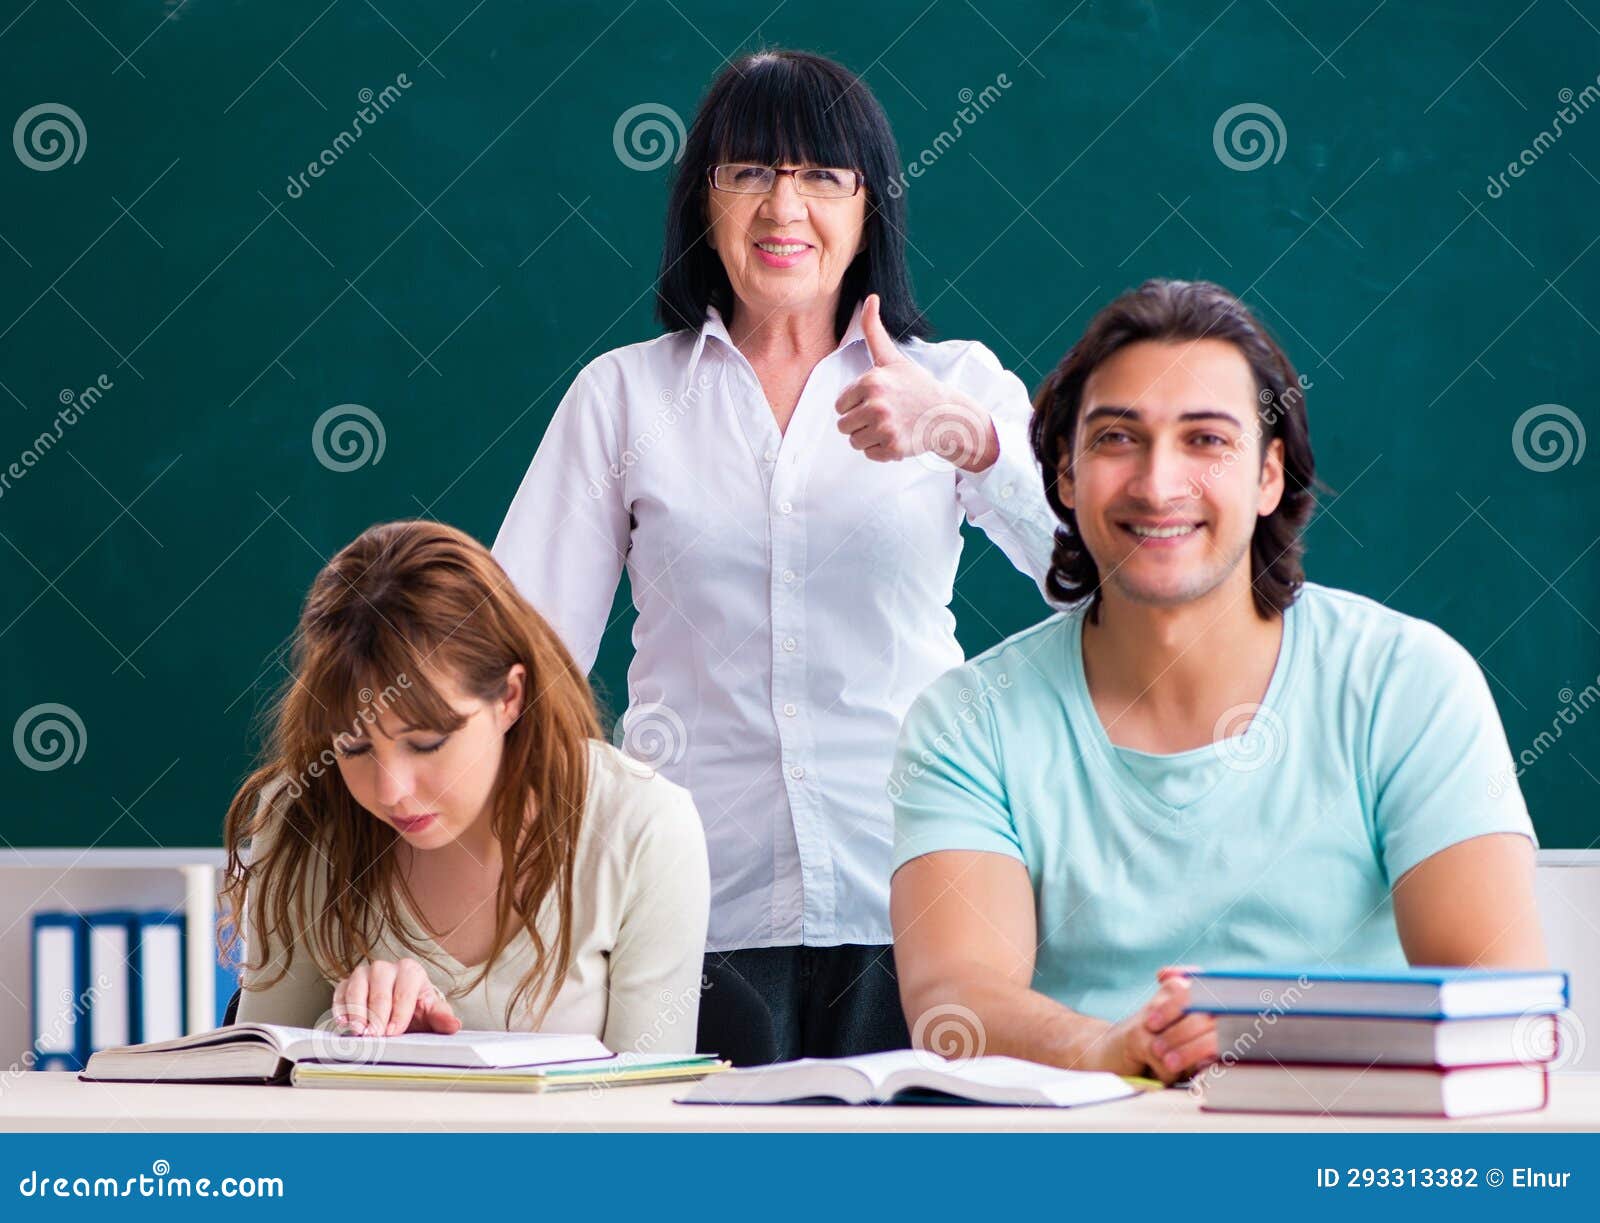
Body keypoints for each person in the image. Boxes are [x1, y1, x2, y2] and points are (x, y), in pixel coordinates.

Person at [492, 50, 1056, 1060]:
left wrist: (968, 437)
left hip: (923, 895)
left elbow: (1098, 579)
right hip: (691, 908)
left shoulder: (954, 381)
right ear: (701, 202)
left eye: (819, 177)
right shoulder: (622, 397)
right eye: (748, 172)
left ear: (868, 206)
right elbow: (514, 664)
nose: (780, 206)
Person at [889, 279, 1546, 1083]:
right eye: (1116, 439)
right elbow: (957, 1000)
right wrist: (1114, 1049)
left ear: (1269, 475)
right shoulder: (968, 719)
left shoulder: (1408, 684)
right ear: (1062, 476)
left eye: (1205, 440)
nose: (1158, 484)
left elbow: (1496, 998)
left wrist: (1261, 1048)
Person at [221, 520, 710, 1055]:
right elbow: (262, 1092)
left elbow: (649, 1122)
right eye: (354, 747)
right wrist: (365, 1043)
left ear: (509, 697)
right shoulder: (302, 816)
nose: (392, 791)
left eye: (427, 743)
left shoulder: (643, 826)